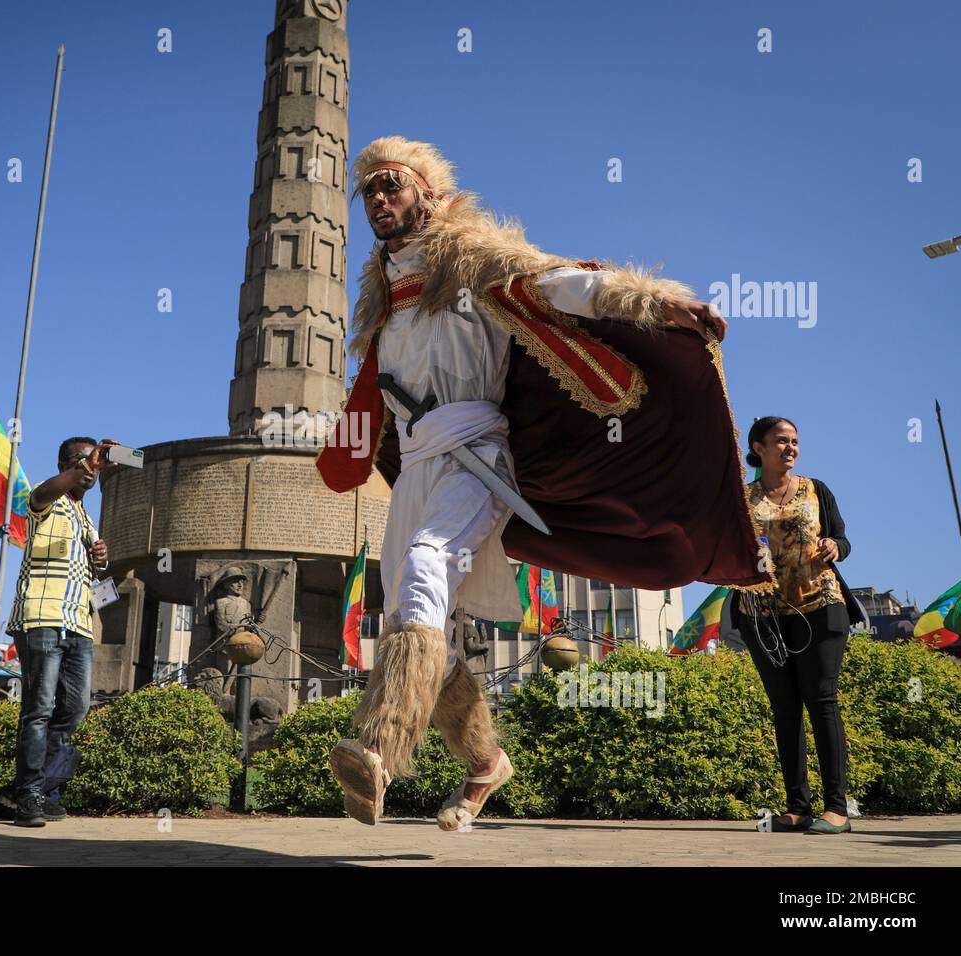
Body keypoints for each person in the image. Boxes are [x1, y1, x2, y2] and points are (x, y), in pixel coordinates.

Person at [317, 136, 771, 829]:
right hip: (416, 465)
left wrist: (651, 303)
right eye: (369, 190)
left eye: (392, 186)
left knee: (426, 567)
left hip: (476, 453)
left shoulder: (470, 255)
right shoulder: (378, 301)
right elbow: (378, 391)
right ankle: (485, 764)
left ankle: (378, 749)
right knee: (420, 618)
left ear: (429, 195)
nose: (379, 199)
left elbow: (555, 281)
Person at [728, 416, 865, 834]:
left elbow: (842, 538)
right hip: (762, 614)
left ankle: (837, 809)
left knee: (821, 700)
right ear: (758, 448)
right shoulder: (740, 496)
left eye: (795, 442)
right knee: (784, 708)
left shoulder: (816, 489)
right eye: (781, 441)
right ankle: (797, 806)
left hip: (820, 605)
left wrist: (833, 547)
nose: (790, 448)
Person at [5, 436, 115, 827]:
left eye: (94, 462)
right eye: (81, 462)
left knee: (74, 708)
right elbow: (44, 491)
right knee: (38, 709)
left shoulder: (86, 517)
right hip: (41, 617)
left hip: (79, 622)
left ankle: (44, 785)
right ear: (63, 465)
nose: (90, 469)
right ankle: (29, 796)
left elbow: (92, 577)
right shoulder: (45, 500)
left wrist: (100, 560)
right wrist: (87, 465)